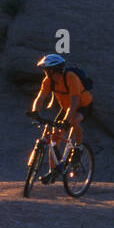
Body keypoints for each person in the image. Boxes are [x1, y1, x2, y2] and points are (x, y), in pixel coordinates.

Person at [29, 54, 91, 183]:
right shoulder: (48, 80)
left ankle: (78, 147)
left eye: (47, 69)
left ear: (54, 70)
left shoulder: (71, 78)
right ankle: (54, 170)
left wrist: (66, 121)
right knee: (54, 137)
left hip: (83, 105)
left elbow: (75, 101)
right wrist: (34, 112)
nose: (45, 72)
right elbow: (40, 97)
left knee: (74, 121)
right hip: (66, 107)